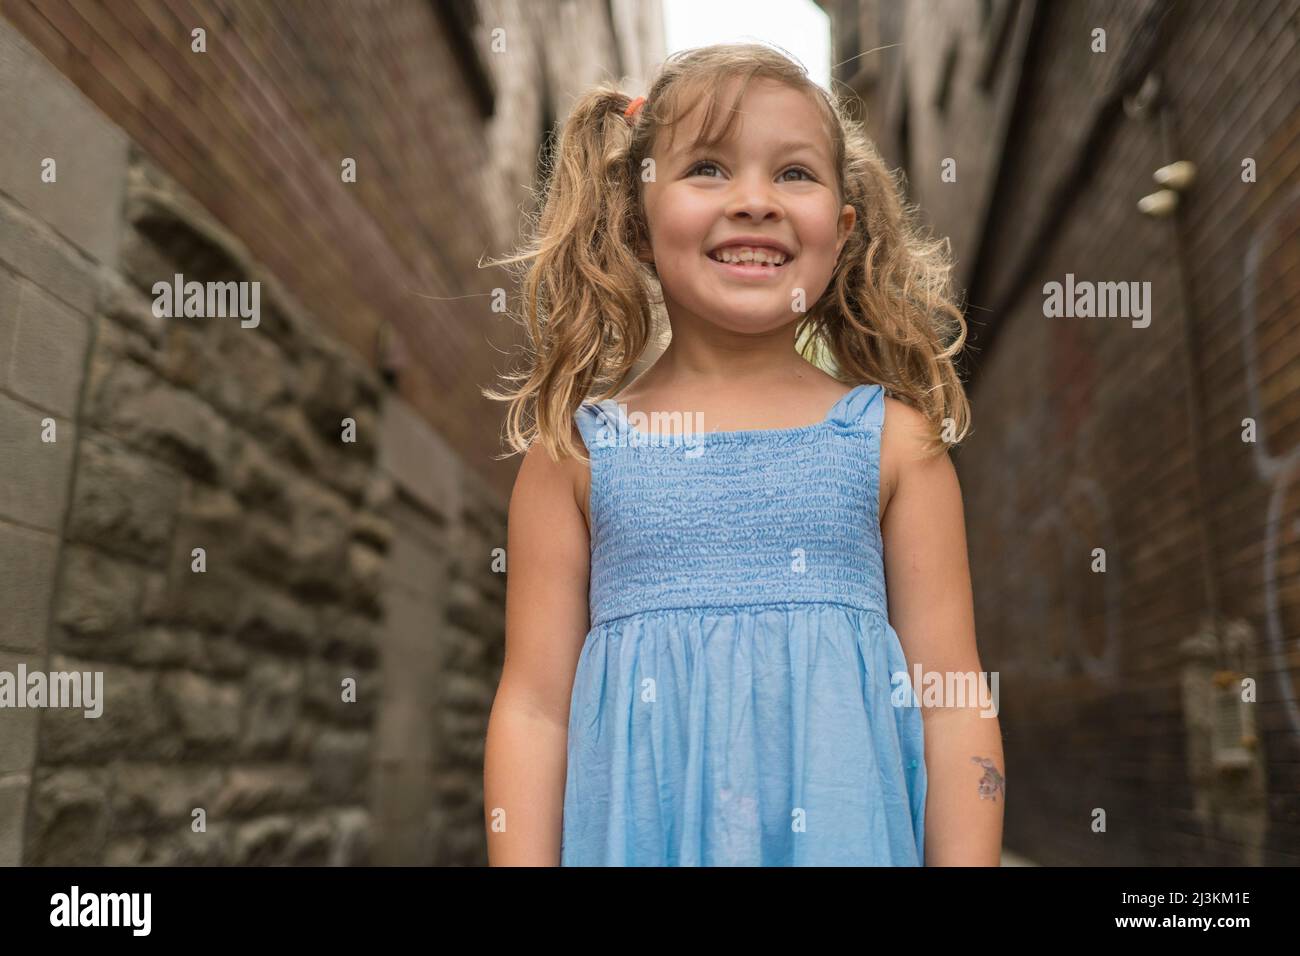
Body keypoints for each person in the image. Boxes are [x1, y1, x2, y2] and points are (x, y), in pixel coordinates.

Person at [483, 42, 1004, 866]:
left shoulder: (893, 445)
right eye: (709, 170)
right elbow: (534, 710)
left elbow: (952, 699)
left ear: (841, 230)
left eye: (794, 174)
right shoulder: (578, 453)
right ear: (636, 219)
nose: (756, 201)